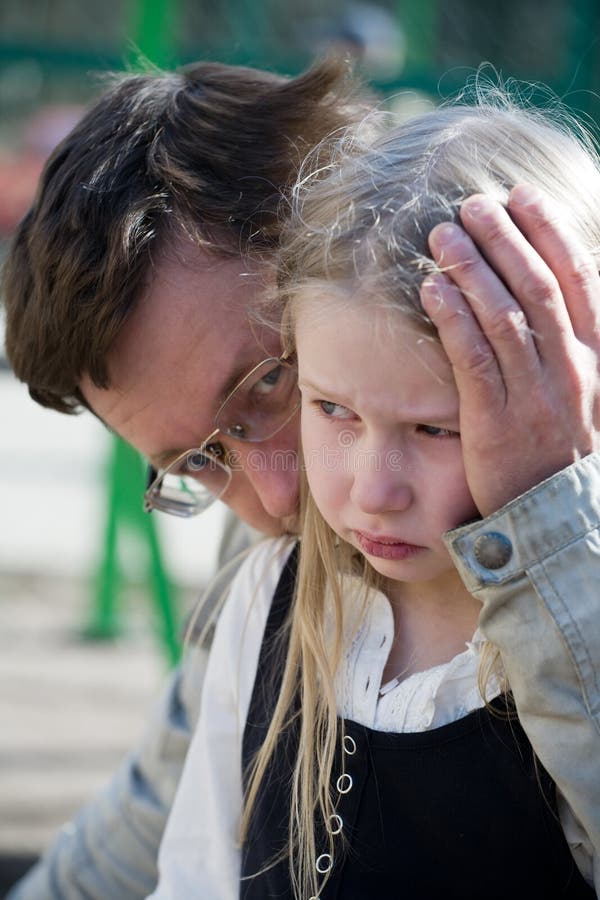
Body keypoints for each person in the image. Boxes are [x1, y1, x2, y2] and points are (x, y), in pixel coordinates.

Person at [3, 61, 600, 899]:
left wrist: (550, 528)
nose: (278, 499)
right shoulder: (268, 592)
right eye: (199, 463)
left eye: (267, 387)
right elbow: (156, 820)